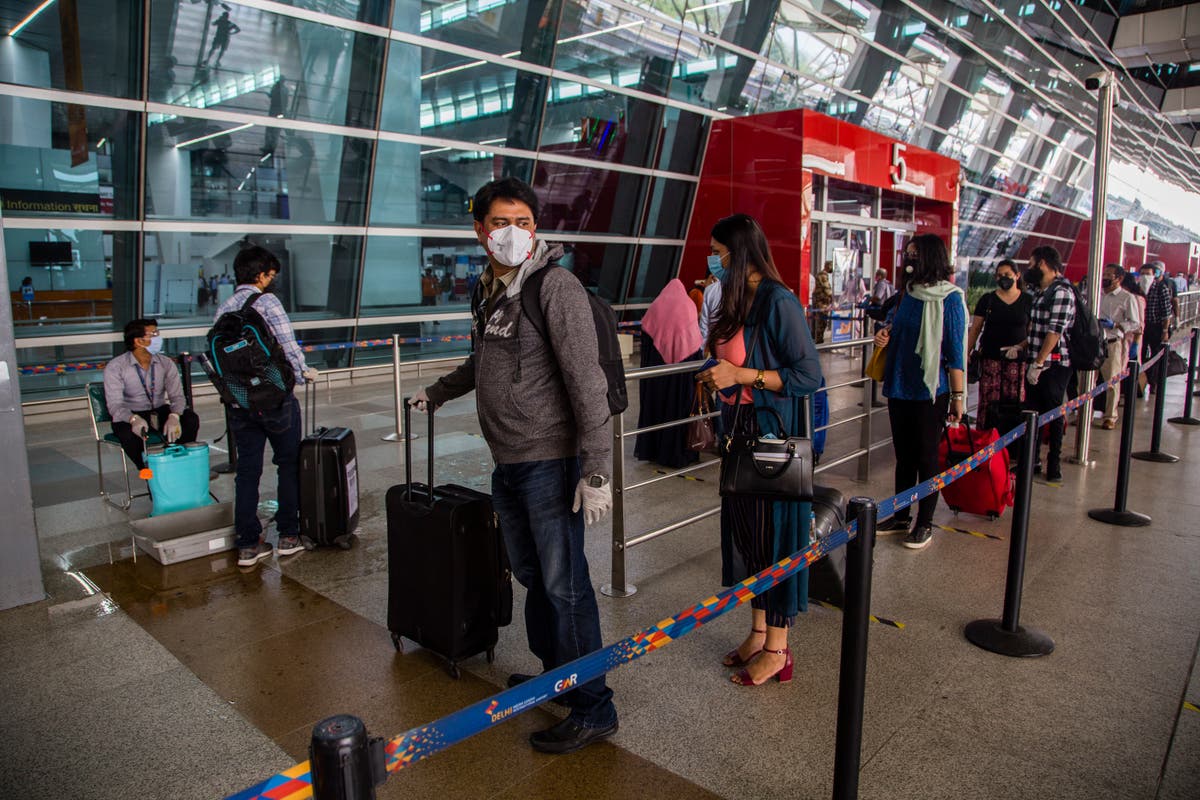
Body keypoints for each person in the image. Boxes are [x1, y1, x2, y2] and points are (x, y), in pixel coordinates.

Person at [411, 177, 618, 754]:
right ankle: (558, 674)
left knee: (565, 585)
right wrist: (437, 392)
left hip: (551, 460)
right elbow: (483, 362)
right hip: (510, 462)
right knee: (534, 578)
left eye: (524, 222)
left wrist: (597, 471)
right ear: (480, 230)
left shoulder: (555, 286)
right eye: (501, 222)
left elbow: (587, 383)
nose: (514, 233)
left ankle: (594, 706)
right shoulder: (491, 290)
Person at [695, 214, 823, 686]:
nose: (713, 260)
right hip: (742, 429)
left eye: (718, 251)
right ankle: (756, 631)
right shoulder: (740, 299)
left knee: (774, 540)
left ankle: (778, 649)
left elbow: (809, 376)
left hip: (772, 436)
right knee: (749, 536)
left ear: (739, 251)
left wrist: (741, 376)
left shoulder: (777, 301)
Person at [214, 246, 318, 568]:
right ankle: (288, 535)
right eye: (270, 275)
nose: (271, 281)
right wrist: (303, 374)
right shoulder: (267, 301)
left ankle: (248, 544)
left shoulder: (224, 308)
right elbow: (287, 345)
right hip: (275, 400)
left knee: (247, 471)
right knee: (288, 463)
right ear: (260, 275)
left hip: (240, 402)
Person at [873, 234, 966, 548]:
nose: (909, 260)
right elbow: (890, 325)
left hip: (931, 392)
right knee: (904, 458)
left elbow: (955, 353)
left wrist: (958, 398)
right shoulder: (906, 294)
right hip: (899, 387)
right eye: (907, 254)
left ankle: (925, 522)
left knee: (927, 459)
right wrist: (883, 334)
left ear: (931, 258)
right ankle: (901, 517)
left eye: (916, 254)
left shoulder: (950, 298)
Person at [103, 319, 200, 471]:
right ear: (138, 341)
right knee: (127, 434)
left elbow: (178, 397)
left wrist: (174, 415)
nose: (158, 338)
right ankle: (148, 470)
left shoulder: (165, 363)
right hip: (130, 414)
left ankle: (179, 463)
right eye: (153, 334)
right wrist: (133, 419)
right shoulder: (116, 367)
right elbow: (115, 405)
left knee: (190, 419)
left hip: (159, 410)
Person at [635, 279, 703, 469]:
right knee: (679, 410)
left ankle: (654, 450)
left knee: (658, 409)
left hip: (658, 372)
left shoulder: (656, 306)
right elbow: (695, 340)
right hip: (683, 372)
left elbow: (646, 338)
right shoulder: (688, 304)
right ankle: (679, 453)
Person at [1023, 246, 1076, 483]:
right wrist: (1023, 347)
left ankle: (1053, 464)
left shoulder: (1061, 292)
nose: (1029, 268)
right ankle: (1032, 460)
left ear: (1043, 263)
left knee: (1053, 413)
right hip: (1037, 360)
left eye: (1032, 263)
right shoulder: (1040, 292)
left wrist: (1039, 362)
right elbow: (1037, 329)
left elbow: (1055, 332)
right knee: (1032, 411)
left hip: (1054, 365)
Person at [966, 259, 1030, 440]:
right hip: (990, 358)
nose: (1004, 279)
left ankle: (1012, 441)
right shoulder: (987, 300)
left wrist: (1020, 347)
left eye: (1008, 275)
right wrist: (967, 352)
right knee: (988, 401)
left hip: (1017, 362)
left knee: (1014, 402)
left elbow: (1032, 333)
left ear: (1017, 276)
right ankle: (984, 440)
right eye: (1000, 275)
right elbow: (976, 328)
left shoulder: (1027, 301)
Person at [1097, 264, 1141, 429]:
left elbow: (1135, 322)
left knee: (1112, 381)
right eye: (1105, 274)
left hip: (1112, 343)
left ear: (1119, 279)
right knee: (1085, 381)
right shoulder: (1097, 294)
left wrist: (1115, 324)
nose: (1105, 277)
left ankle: (1110, 417)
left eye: (1109, 275)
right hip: (1093, 343)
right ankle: (1083, 414)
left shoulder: (1127, 297)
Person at [1139, 261, 1174, 392]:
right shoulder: (1138, 289)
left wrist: (1165, 331)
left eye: (1148, 274)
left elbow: (1166, 313)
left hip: (1156, 327)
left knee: (1155, 355)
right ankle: (1140, 382)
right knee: (1139, 355)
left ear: (1154, 275)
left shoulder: (1161, 288)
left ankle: (1154, 382)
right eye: (1142, 274)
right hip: (1141, 327)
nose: (1144, 277)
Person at [811, 260, 834, 343]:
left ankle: (819, 340)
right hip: (822, 303)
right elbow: (827, 289)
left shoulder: (823, 274)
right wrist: (833, 299)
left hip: (822, 302)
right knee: (821, 323)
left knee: (822, 322)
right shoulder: (823, 275)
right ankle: (819, 341)